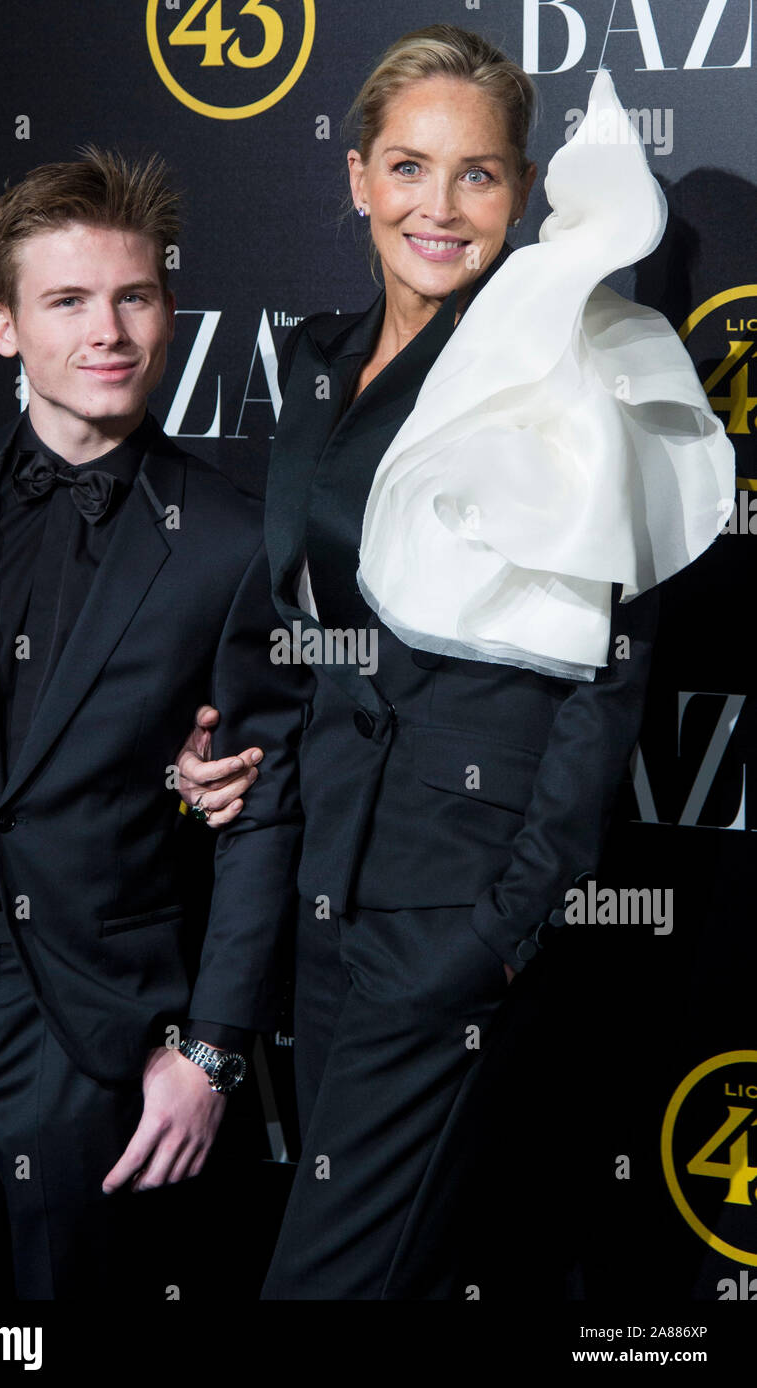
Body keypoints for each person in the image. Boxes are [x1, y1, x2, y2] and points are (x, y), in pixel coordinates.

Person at [180, 25, 733, 1300]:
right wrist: (231, 758)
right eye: (410, 168)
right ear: (359, 179)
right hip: (322, 893)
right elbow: (311, 629)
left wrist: (499, 931)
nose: (439, 205)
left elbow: (606, 684)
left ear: (521, 190)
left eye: (477, 174)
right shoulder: (317, 366)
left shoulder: (561, 367)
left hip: (451, 907)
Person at [0, 148, 307, 1299]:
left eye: (133, 296)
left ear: (168, 312)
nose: (107, 329)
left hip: (82, 1027)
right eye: (67, 300)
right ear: (3, 328)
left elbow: (262, 810)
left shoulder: (229, 540)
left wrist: (211, 1051)